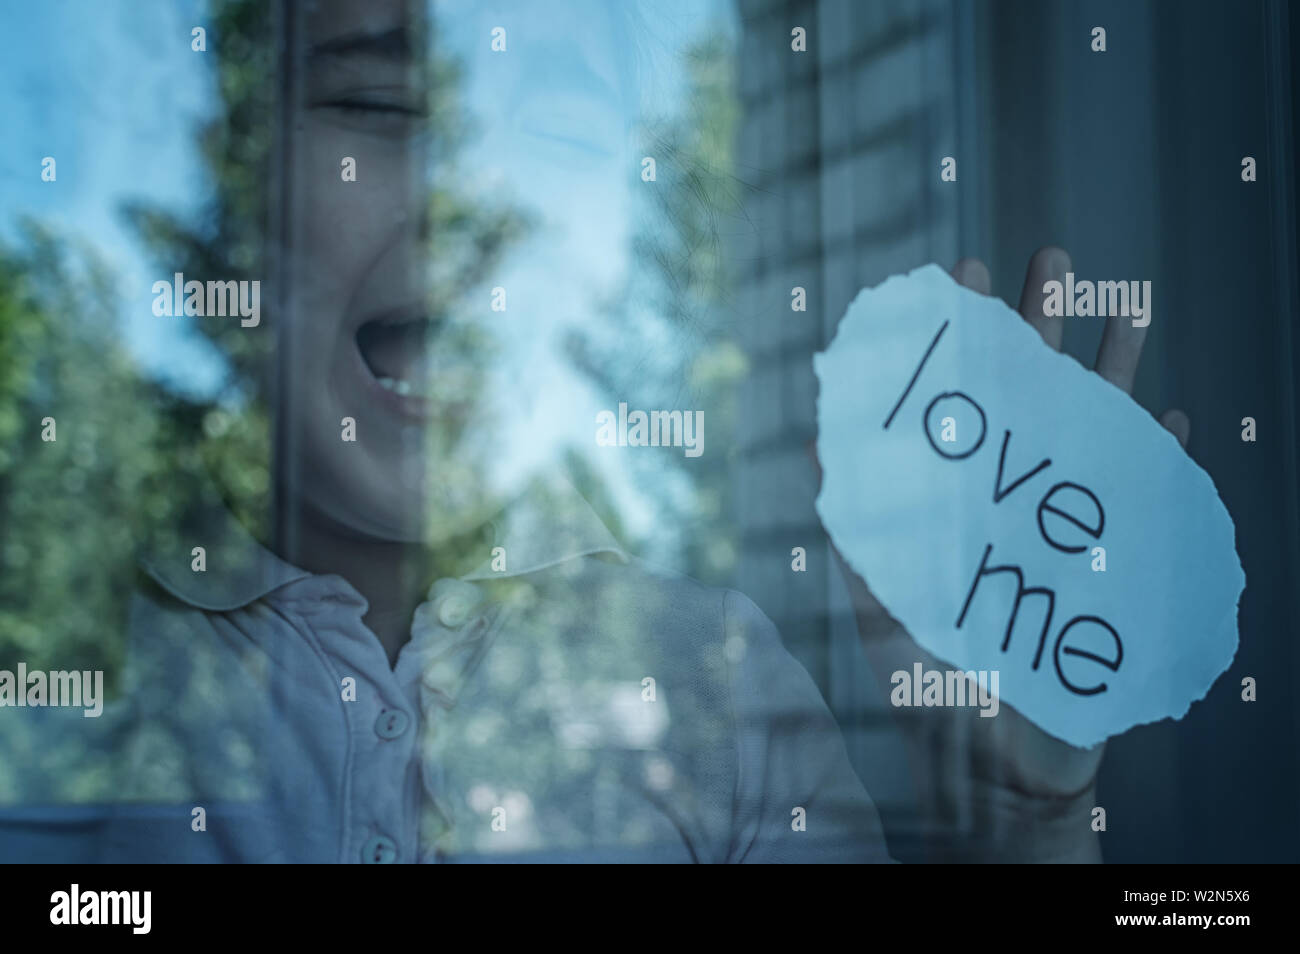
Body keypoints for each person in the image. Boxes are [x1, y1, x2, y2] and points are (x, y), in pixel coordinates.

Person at [0, 0, 1191, 863]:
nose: (483, 200)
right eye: (381, 102)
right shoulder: (66, 670)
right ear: (237, 186)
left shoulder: (716, 688)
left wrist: (1022, 827)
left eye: (561, 137)